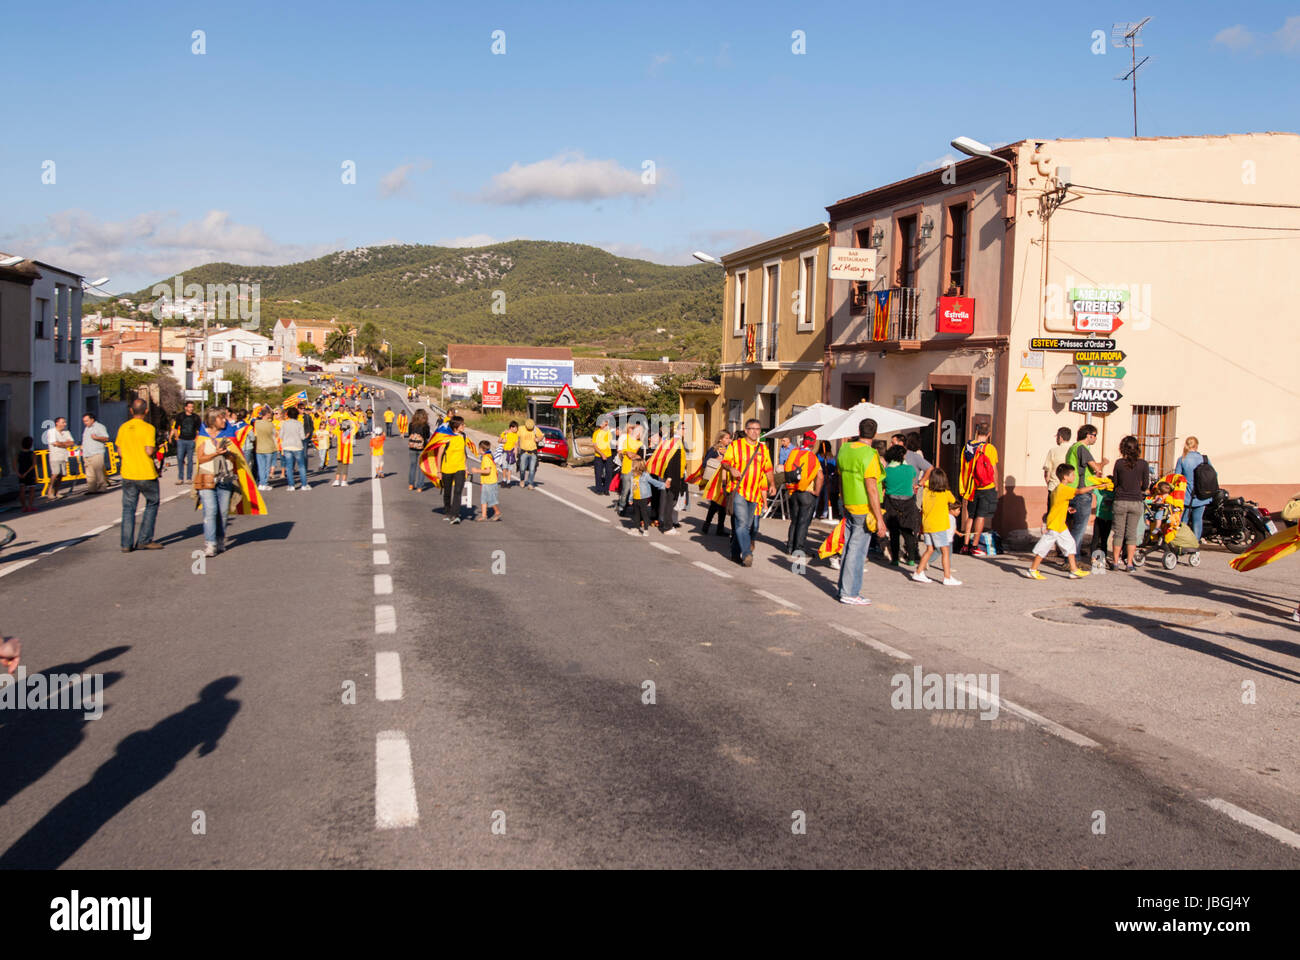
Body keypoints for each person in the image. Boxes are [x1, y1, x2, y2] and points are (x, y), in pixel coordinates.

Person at [835, 418, 887, 604]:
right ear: (874, 433)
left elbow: (839, 477)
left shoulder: (844, 449)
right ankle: (850, 592)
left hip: (848, 501)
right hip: (863, 506)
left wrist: (842, 498)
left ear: (859, 430)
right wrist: (880, 519)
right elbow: (872, 488)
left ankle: (844, 588)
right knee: (857, 551)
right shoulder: (869, 454)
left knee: (849, 547)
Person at [1028, 463, 1104, 580]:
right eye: (1072, 475)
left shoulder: (1058, 489)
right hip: (1055, 524)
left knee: (1070, 544)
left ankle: (1073, 570)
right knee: (1044, 546)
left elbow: (1057, 504)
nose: (1074, 477)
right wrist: (1094, 487)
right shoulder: (1063, 488)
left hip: (1060, 524)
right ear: (1065, 477)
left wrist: (1068, 508)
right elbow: (1079, 491)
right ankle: (1032, 570)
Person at [723, 419, 776, 567]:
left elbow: (768, 469)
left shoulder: (763, 449)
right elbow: (725, 462)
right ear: (746, 430)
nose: (755, 432)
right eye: (752, 429)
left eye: (758, 429)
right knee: (741, 523)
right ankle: (747, 553)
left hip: (755, 493)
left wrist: (772, 484)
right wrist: (731, 469)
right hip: (738, 489)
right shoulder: (735, 445)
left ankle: (734, 552)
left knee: (746, 526)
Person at [116, 398, 162, 552]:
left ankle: (126, 544)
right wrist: (156, 449)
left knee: (128, 509)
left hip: (128, 472)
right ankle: (144, 539)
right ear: (146, 411)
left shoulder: (123, 427)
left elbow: (120, 451)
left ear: (131, 411)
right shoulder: (148, 428)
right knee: (152, 503)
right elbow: (149, 451)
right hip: (146, 472)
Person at [194, 409, 238, 557]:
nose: (224, 421)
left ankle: (220, 540)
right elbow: (201, 459)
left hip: (225, 476)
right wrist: (215, 453)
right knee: (211, 509)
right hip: (206, 476)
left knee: (223, 511)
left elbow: (234, 458)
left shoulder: (229, 434)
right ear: (213, 420)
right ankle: (210, 543)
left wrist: (226, 453)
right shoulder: (202, 436)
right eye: (221, 418)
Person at [1065, 424, 1107, 562]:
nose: (1095, 439)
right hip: (1082, 492)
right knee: (1079, 528)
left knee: (1072, 528)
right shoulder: (1082, 449)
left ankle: (1069, 558)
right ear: (1089, 435)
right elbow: (1095, 468)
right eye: (1095, 435)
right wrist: (1103, 463)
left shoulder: (1073, 448)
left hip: (1071, 490)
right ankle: (1073, 559)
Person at [913, 468, 961, 585]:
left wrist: (925, 483)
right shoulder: (945, 493)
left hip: (927, 525)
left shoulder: (926, 491)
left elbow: (925, 484)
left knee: (930, 549)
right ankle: (947, 577)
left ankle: (919, 572)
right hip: (939, 525)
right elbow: (953, 500)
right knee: (945, 551)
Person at [958, 421, 998, 556]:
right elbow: (993, 469)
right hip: (986, 486)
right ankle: (975, 545)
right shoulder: (989, 448)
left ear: (976, 432)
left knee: (971, 516)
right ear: (989, 434)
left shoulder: (967, 447)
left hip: (971, 487)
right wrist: (996, 486)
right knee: (981, 516)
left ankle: (965, 545)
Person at [1110, 435, 1149, 571]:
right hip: (1136, 501)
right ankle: (1130, 564)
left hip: (1120, 500)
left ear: (1123, 448)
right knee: (1131, 534)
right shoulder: (1143, 464)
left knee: (1118, 533)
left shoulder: (1119, 463)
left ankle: (1115, 562)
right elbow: (1145, 486)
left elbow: (1115, 483)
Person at [783, 431, 824, 558]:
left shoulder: (794, 452)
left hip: (793, 491)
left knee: (794, 521)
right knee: (803, 522)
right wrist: (817, 492)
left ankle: (790, 547)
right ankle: (799, 549)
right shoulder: (812, 456)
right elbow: (820, 476)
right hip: (807, 492)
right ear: (813, 443)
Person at [882, 445, 921, 567]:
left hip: (891, 501)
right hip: (908, 502)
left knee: (894, 532)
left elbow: (884, 484)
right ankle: (911, 558)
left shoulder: (887, 471)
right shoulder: (910, 469)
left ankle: (895, 559)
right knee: (908, 531)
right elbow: (913, 478)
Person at [646, 422, 684, 535]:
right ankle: (667, 527)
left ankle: (667, 524)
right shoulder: (675, 443)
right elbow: (671, 463)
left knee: (671, 501)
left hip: (675, 476)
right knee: (670, 501)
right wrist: (669, 478)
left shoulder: (674, 442)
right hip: (672, 477)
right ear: (676, 430)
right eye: (683, 428)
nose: (685, 431)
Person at [1175, 436, 1212, 541]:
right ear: (1196, 445)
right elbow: (1214, 474)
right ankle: (1195, 545)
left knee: (1183, 520)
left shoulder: (1182, 459)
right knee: (1197, 520)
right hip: (1202, 495)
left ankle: (1182, 541)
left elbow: (1177, 477)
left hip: (1186, 496)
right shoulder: (1204, 459)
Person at [699, 431, 731, 536]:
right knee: (714, 504)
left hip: (724, 480)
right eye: (726, 438)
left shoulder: (728, 450)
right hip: (715, 482)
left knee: (722, 505)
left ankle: (719, 529)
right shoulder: (714, 450)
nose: (728, 440)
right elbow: (704, 463)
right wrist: (716, 459)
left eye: (729, 438)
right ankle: (706, 525)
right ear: (720, 439)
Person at [440, 416, 470, 523]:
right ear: (456, 426)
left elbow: (464, 453)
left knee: (458, 491)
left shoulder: (463, 436)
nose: (464, 426)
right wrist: (439, 471)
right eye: (462, 424)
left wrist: (466, 467)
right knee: (447, 492)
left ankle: (455, 514)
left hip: (460, 467)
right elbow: (440, 454)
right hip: (447, 468)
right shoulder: (447, 437)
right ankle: (448, 511)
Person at [43, 416, 75, 499]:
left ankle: (56, 492)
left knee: (61, 475)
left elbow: (71, 442)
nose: (65, 424)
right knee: (55, 473)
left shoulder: (66, 432)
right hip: (55, 456)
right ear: (57, 423)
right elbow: (55, 443)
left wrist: (62, 444)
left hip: (64, 456)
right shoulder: (52, 432)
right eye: (63, 422)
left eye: (65, 422)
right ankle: (50, 491)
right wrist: (65, 443)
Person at [470, 439, 502, 521]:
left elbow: (487, 471)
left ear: (481, 449)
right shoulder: (488, 456)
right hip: (486, 481)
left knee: (491, 499)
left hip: (489, 481)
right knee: (484, 499)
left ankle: (497, 512)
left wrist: (477, 470)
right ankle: (484, 516)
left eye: (479, 448)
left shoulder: (486, 458)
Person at [80, 413, 111, 495]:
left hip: (96, 453)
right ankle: (91, 489)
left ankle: (101, 487)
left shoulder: (99, 427)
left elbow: (106, 438)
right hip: (87, 453)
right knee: (89, 473)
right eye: (84, 421)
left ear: (92, 419)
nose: (85, 423)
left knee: (98, 471)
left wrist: (96, 437)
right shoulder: (86, 428)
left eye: (86, 421)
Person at [617, 422, 644, 514]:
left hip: (636, 469)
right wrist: (636, 455)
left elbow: (640, 456)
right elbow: (629, 454)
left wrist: (635, 455)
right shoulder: (627, 440)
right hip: (627, 468)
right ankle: (621, 506)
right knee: (626, 490)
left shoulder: (640, 443)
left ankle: (634, 509)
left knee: (635, 490)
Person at [626, 456, 656, 536]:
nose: (632, 466)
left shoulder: (645, 475)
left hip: (643, 497)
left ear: (637, 466)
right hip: (636, 497)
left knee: (644, 513)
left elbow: (653, 482)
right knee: (636, 513)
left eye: (633, 465)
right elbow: (632, 487)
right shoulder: (633, 475)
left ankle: (646, 530)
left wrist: (663, 485)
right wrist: (630, 498)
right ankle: (636, 528)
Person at [281, 407, 309, 491]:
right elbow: (302, 437)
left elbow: (281, 436)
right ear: (297, 415)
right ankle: (304, 485)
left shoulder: (284, 424)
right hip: (297, 446)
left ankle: (291, 485)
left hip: (287, 446)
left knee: (289, 466)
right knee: (301, 466)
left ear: (288, 415)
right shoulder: (299, 424)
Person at [173, 400, 202, 483]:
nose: (191, 408)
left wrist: (196, 439)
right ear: (185, 408)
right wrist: (177, 437)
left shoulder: (196, 417)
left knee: (190, 460)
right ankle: (180, 478)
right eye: (189, 407)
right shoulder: (180, 416)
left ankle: (189, 478)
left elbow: (198, 430)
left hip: (191, 441)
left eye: (192, 407)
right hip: (181, 440)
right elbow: (175, 427)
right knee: (180, 458)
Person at [903, 433, 932, 509]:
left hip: (915, 485)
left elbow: (929, 468)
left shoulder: (916, 454)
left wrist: (920, 483)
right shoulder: (915, 453)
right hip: (915, 485)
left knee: (915, 506)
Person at [1043, 426, 1072, 495]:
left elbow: (1047, 472)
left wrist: (1049, 484)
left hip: (1054, 487)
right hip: (1070, 488)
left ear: (1060, 437)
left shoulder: (1053, 451)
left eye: (1057, 437)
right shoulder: (1073, 449)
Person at [516, 418, 544, 489]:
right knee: (522, 469)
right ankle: (522, 480)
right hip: (524, 452)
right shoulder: (521, 428)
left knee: (532, 469)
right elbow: (514, 434)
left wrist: (538, 439)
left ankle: (530, 483)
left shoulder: (535, 429)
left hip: (533, 452)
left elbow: (541, 435)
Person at [407, 409, 431, 491]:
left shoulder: (411, 424)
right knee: (422, 467)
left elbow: (409, 434)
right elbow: (427, 436)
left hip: (412, 447)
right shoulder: (425, 426)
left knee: (412, 466)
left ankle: (411, 484)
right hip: (422, 448)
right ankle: (419, 486)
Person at [254, 408, 276, 491]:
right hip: (269, 448)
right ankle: (265, 483)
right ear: (267, 414)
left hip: (259, 448)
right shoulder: (270, 424)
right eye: (270, 414)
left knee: (261, 467)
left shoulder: (257, 423)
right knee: (267, 467)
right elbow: (274, 434)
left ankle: (261, 483)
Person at [592, 417, 614, 495]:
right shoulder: (596, 433)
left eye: (607, 422)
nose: (606, 424)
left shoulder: (609, 432)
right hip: (599, 456)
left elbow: (612, 442)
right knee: (598, 473)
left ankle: (606, 489)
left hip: (609, 455)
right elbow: (595, 446)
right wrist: (602, 454)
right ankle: (599, 489)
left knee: (609, 473)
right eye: (605, 423)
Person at [816, 440, 838, 520]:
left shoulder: (818, 456)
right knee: (826, 496)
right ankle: (824, 513)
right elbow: (834, 468)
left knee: (819, 495)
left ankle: (815, 512)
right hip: (827, 477)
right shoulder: (830, 456)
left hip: (821, 477)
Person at [332, 416, 355, 486]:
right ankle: (344, 481)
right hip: (347, 453)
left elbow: (332, 430)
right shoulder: (349, 433)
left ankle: (336, 480)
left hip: (340, 452)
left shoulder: (339, 432)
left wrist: (337, 425)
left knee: (339, 466)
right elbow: (356, 427)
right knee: (345, 467)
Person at [17, 437, 38, 512]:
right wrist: (26, 473)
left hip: (21, 472)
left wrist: (18, 473)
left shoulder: (19, 453)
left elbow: (14, 464)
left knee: (22, 490)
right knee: (31, 490)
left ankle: (23, 507)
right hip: (30, 473)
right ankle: (30, 506)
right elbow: (33, 465)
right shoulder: (32, 454)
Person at [499, 422, 518, 487]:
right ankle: (504, 480)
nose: (516, 429)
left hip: (511, 453)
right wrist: (502, 441)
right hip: (505, 452)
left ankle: (508, 481)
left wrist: (515, 454)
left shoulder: (515, 435)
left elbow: (516, 445)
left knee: (510, 468)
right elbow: (499, 440)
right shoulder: (505, 433)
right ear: (511, 428)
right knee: (504, 467)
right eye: (515, 428)